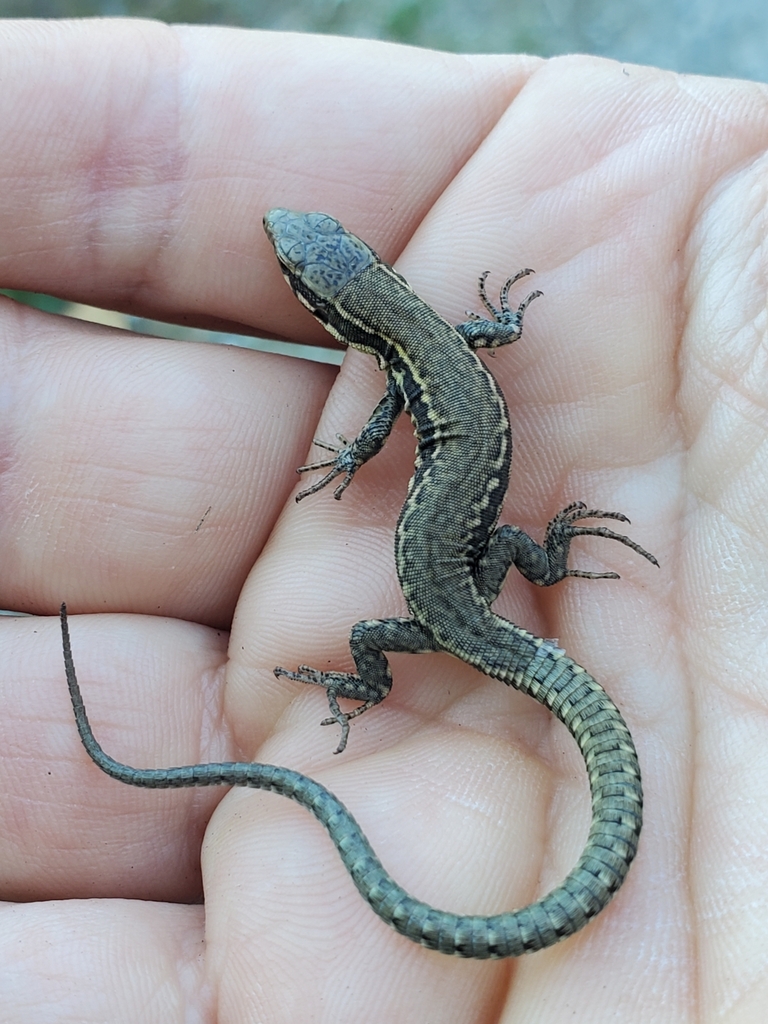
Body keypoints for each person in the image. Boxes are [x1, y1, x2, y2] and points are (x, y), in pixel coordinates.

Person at [1, 18, 766, 1023]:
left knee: (375, 633)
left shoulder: (397, 364)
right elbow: (485, 336)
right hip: (473, 595)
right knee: (436, 589)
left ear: (338, 310)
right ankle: (545, 559)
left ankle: (385, 669)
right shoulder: (434, 335)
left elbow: (380, 425)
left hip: (457, 608)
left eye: (304, 267)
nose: (289, 241)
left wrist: (360, 462)